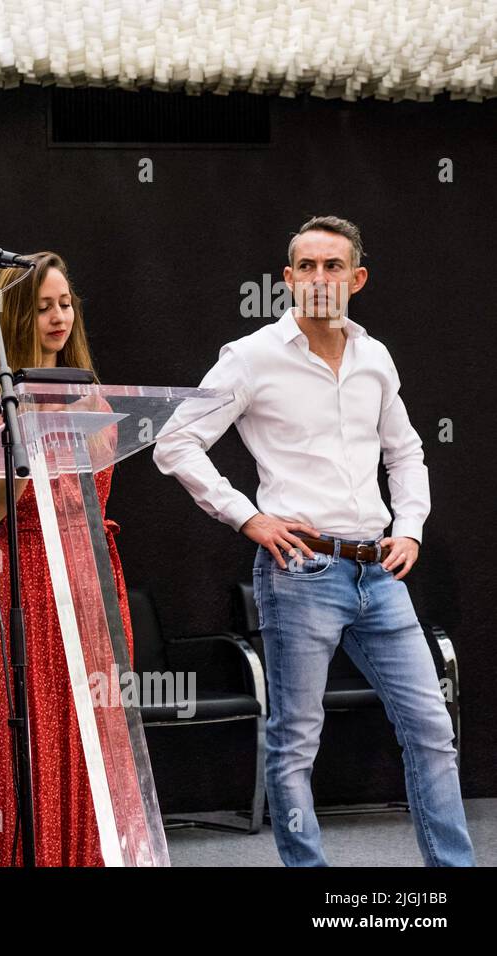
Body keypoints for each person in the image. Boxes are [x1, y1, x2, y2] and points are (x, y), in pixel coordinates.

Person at [152, 215, 472, 867]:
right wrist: (247, 517)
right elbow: (174, 441)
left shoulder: (374, 358)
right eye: (307, 267)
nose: (320, 279)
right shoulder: (252, 358)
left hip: (379, 572)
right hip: (300, 572)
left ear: (356, 278)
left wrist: (409, 527)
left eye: (334, 267)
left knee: (432, 729)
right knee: (295, 741)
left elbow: (407, 452)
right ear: (288, 279)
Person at [0, 252, 133, 866]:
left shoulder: (91, 390)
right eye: (42, 306)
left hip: (92, 583)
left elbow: (95, 486)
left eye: (65, 303)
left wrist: (64, 416)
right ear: (14, 317)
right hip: (24, 582)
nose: (58, 316)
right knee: (32, 753)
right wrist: (24, 429)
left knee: (96, 759)